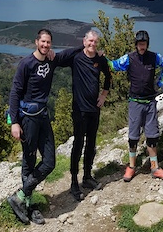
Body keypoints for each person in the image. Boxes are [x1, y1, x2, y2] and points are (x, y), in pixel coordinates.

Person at [6, 28, 77, 225]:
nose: (46, 45)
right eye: (43, 42)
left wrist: (89, 46)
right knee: (28, 162)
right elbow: (14, 93)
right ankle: (27, 205)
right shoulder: (26, 64)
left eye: (49, 43)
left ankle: (19, 197)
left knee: (49, 161)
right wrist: (14, 123)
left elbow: (69, 54)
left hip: (43, 116)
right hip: (27, 119)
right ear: (36, 42)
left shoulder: (52, 60)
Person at [108, 29, 163, 182]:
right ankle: (131, 168)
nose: (141, 47)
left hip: (150, 102)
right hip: (135, 102)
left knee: (152, 136)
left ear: (147, 44)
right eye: (139, 44)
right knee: (133, 137)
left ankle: (155, 168)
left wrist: (160, 83)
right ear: (136, 45)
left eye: (144, 44)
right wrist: (100, 58)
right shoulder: (129, 58)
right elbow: (114, 65)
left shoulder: (154, 57)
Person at [64, 29, 112, 202]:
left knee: (91, 143)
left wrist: (104, 95)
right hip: (79, 109)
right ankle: (74, 181)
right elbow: (59, 58)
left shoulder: (100, 60)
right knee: (78, 143)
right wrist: (79, 48)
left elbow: (108, 76)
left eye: (95, 42)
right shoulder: (76, 58)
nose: (92, 44)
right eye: (90, 41)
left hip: (94, 109)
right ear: (84, 41)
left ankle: (87, 176)